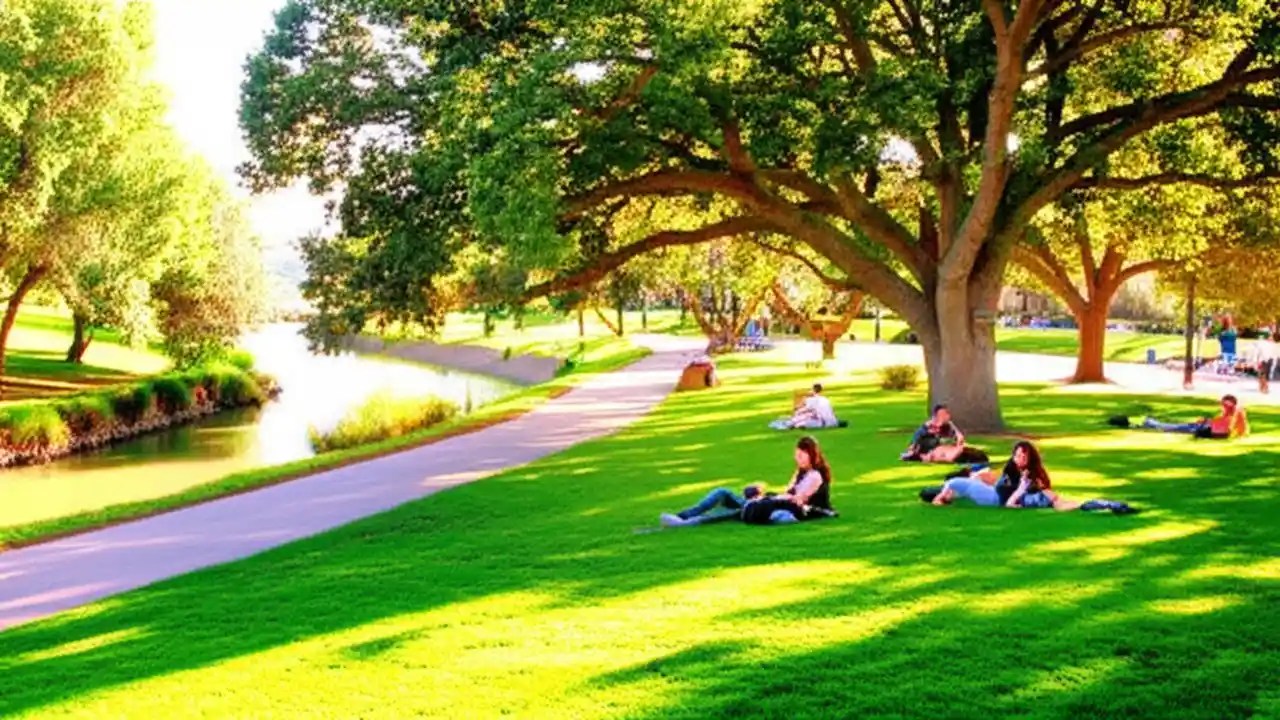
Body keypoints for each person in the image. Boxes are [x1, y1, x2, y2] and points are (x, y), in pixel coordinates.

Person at [660, 436, 835, 527]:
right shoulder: (800, 472)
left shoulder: (814, 476)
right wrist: (763, 494)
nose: (797, 459)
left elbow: (797, 499)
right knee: (722, 493)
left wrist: (765, 499)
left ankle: (686, 523)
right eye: (796, 455)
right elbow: (787, 493)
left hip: (782, 507)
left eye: (800, 455)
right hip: (774, 503)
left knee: (734, 512)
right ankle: (684, 515)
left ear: (811, 455)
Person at [933, 441, 1137, 514]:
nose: (1019, 458)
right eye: (1016, 454)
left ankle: (1107, 504)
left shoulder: (1031, 476)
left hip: (996, 498)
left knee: (957, 482)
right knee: (971, 479)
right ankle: (1107, 505)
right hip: (997, 493)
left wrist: (1022, 490)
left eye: (1023, 455)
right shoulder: (1011, 468)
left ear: (1029, 457)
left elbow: (1009, 503)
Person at [1141, 394, 1250, 439]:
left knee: (1179, 428)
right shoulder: (1230, 413)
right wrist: (1206, 421)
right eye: (1223, 405)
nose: (1223, 407)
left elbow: (1231, 425)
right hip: (1208, 428)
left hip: (1209, 430)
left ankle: (1152, 424)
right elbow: (1221, 422)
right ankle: (1152, 423)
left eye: (1225, 405)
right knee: (1181, 426)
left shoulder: (1236, 411)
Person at [769, 383, 841, 430]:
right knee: (806, 416)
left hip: (822, 422)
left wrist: (796, 410)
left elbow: (803, 410)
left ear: (813, 390)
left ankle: (790, 424)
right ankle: (792, 423)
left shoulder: (812, 400)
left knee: (802, 419)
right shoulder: (826, 399)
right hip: (832, 422)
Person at [1249, 329, 1275, 394]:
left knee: (1263, 374)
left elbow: (1272, 353)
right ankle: (1264, 387)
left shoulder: (1270, 343)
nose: (1271, 337)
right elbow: (1256, 352)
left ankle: (1263, 386)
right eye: (1270, 336)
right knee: (1263, 374)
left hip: (1268, 360)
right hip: (1263, 360)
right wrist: (1254, 361)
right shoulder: (1260, 343)